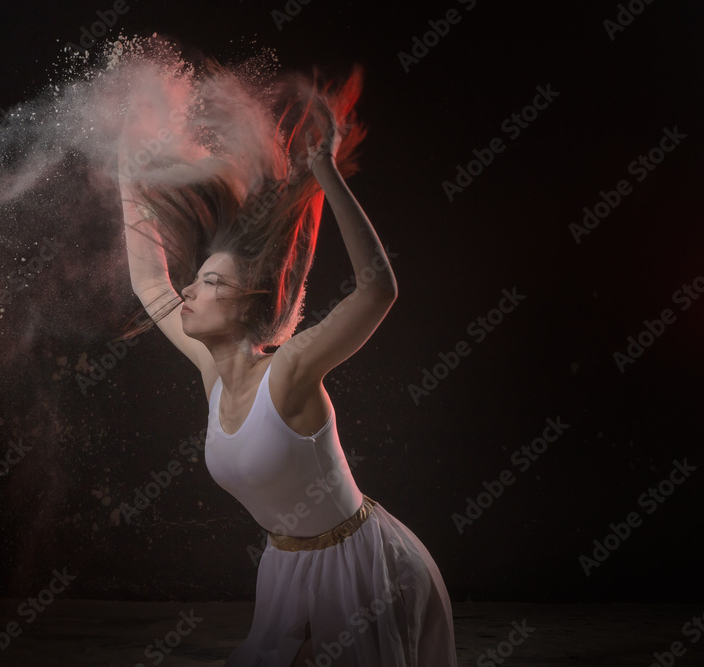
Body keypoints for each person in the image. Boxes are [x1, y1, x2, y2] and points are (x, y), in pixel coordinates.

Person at [117, 63, 457, 667]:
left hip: (361, 568)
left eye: (210, 281)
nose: (189, 293)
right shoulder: (211, 370)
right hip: (286, 568)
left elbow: (377, 292)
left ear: (247, 304)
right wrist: (128, 160)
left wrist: (326, 173)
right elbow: (148, 278)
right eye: (195, 280)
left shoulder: (291, 370)